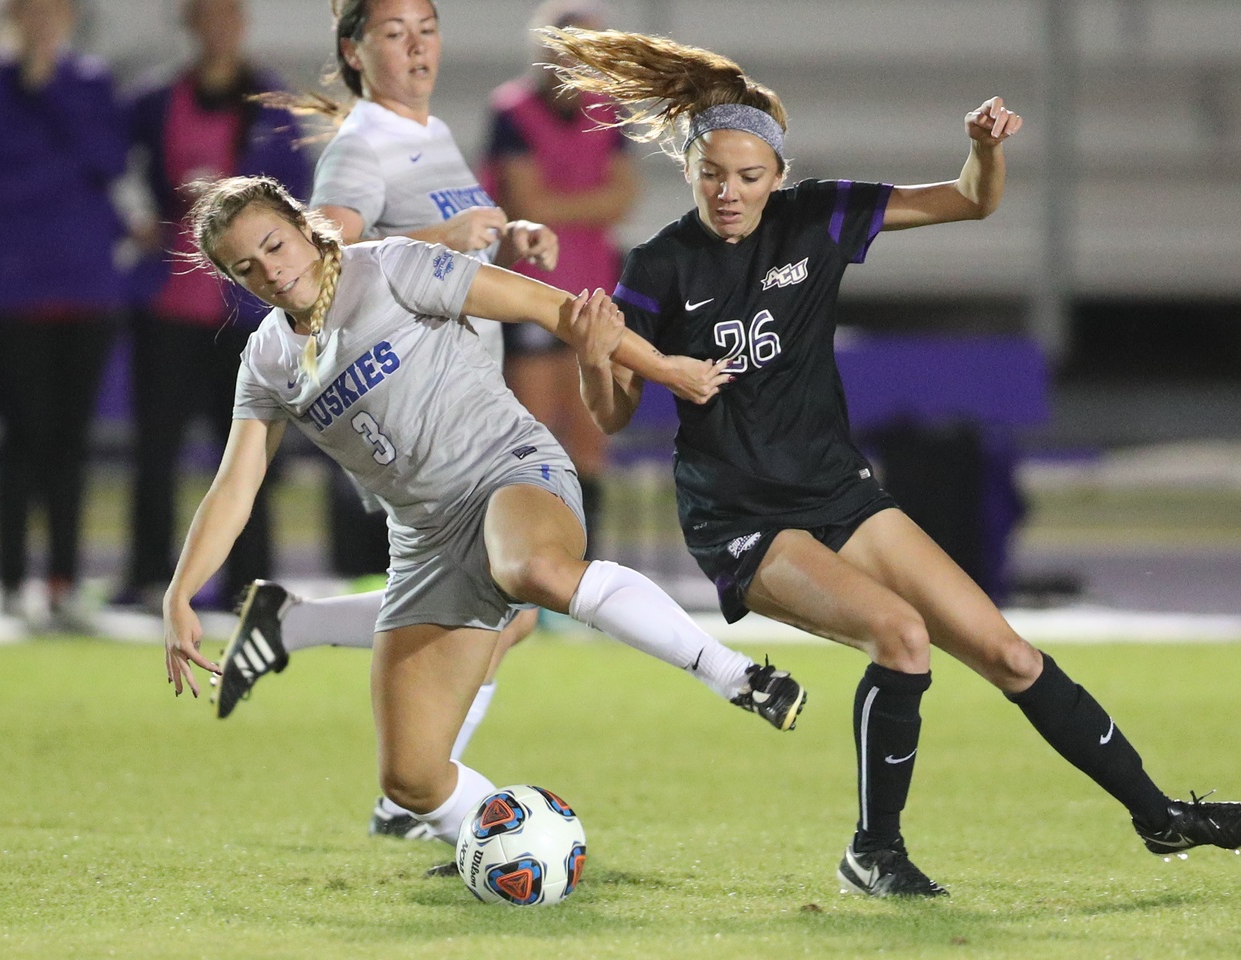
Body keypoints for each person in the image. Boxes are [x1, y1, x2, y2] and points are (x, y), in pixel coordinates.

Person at [538, 27, 1241, 898]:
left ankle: (1161, 817)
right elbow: (616, 411)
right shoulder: (661, 263)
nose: (729, 193)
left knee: (1007, 653)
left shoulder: (821, 216)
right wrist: (595, 356)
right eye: (712, 175)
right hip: (742, 519)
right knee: (903, 637)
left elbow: (972, 202)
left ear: (778, 175)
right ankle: (872, 853)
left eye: (748, 176)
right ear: (691, 169)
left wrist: (982, 151)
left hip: (839, 491)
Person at [163, 175, 805, 857]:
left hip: (509, 470)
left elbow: (554, 308)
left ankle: (733, 674)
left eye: (274, 244)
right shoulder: (265, 359)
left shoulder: (392, 268)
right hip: (424, 544)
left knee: (530, 569)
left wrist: (668, 368)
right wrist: (179, 592)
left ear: (302, 225)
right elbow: (234, 487)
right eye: (246, 267)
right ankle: (519, 850)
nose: (271, 269)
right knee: (411, 778)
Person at [218, 0, 557, 842]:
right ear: (354, 51)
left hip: (467, 410)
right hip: (418, 420)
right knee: (502, 603)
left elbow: (442, 247)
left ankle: (303, 636)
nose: (416, 47)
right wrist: (450, 232)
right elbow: (324, 256)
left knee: (494, 606)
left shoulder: (429, 133)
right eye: (394, 33)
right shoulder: (363, 145)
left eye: (427, 29)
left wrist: (503, 233)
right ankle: (412, 792)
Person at [115, 0, 312, 613]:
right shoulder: (155, 100)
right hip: (172, 300)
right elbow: (103, 165)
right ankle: (148, 576)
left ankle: (249, 580)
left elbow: (295, 194)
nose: (220, 26)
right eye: (209, 15)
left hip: (244, 308)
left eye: (230, 15)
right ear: (192, 24)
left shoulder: (270, 102)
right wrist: (137, 222)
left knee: (246, 452)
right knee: (157, 446)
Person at [0, 0, 128, 631]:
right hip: (11, 294)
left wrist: (49, 100)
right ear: (12, 16)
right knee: (20, 439)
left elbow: (110, 162)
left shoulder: (87, 83)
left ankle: (62, 577)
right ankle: (8, 579)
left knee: (71, 444)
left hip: (87, 291)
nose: (43, 20)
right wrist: (65, 173)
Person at [480, 0, 638, 555]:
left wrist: (560, 204)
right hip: (530, 292)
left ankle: (583, 569)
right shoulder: (512, 111)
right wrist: (590, 203)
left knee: (591, 440)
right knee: (534, 438)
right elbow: (526, 200)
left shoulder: (606, 110)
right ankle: (533, 561)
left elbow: (624, 198)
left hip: (595, 291)